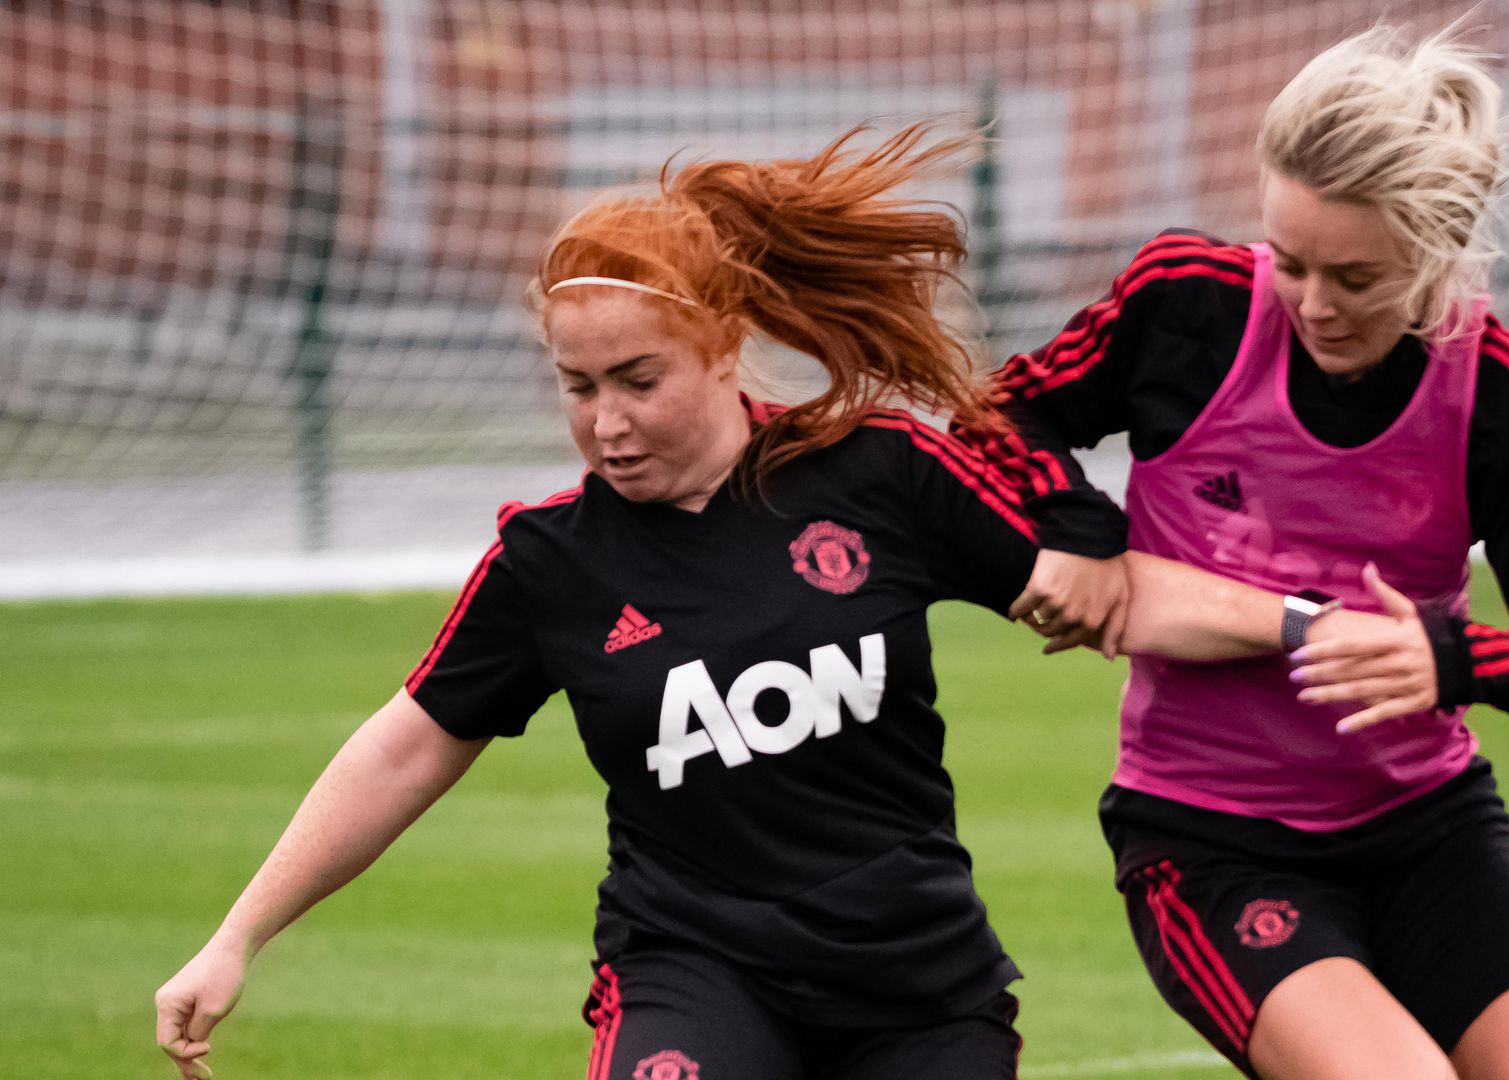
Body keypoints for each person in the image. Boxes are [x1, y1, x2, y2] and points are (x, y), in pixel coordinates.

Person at [152, 125, 1393, 1080]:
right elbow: (410, 743)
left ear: (726, 346)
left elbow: (1120, 597)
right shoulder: (549, 561)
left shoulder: (879, 476)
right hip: (692, 972)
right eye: (577, 385)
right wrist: (237, 934)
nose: (607, 422)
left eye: (639, 378)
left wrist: (1305, 626)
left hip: (917, 982)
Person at [956, 26, 1509, 1080]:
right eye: (1290, 261)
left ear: (1437, 252)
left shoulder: (1508, 400)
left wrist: (1451, 658)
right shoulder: (1185, 304)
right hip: (1211, 842)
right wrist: (1085, 532)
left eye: (1358, 277)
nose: (1314, 303)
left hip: (1432, 830)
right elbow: (999, 417)